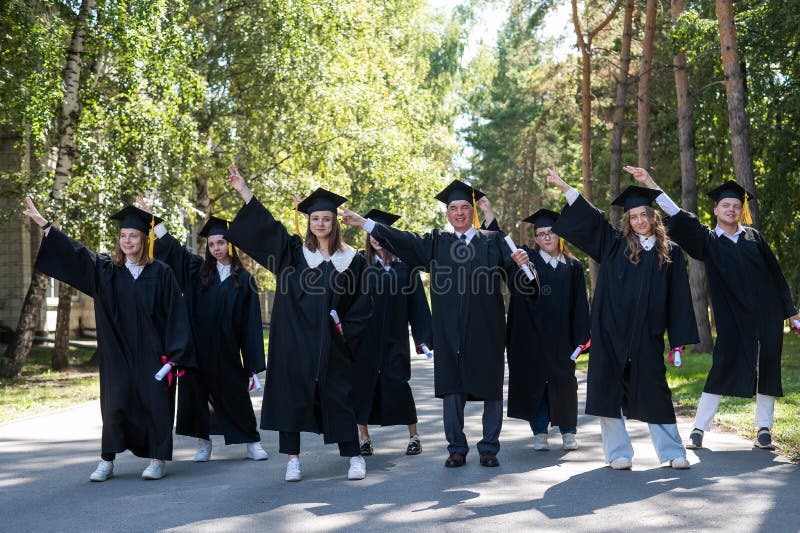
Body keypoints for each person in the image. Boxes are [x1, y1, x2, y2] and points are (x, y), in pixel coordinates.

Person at [339, 179, 539, 469]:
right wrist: (365, 224)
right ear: (447, 214)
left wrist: (524, 265)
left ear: (472, 210)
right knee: (452, 390)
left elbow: (524, 285)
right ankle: (456, 448)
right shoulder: (437, 243)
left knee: (491, 391)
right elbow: (404, 240)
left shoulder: (493, 241)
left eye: (464, 208)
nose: (459, 213)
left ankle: (489, 449)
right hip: (449, 332)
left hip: (488, 331)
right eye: (453, 208)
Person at [628, 167, 800, 450]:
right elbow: (679, 216)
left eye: (736, 206)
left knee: (767, 367)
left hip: (766, 315)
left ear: (741, 211)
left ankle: (764, 429)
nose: (731, 210)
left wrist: (791, 311)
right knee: (722, 366)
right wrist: (650, 182)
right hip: (732, 318)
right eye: (726, 205)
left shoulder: (754, 238)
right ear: (716, 209)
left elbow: (776, 275)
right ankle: (699, 428)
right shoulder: (708, 241)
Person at [23, 198, 194, 481]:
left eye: (133, 236)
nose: (127, 241)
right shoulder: (107, 271)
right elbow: (77, 254)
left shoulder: (161, 273)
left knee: (156, 405)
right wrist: (45, 225)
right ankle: (107, 460)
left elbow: (177, 315)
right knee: (115, 404)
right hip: (119, 354)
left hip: (154, 356)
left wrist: (173, 358)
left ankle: (157, 459)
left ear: (144, 239)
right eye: (123, 236)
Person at [225, 166, 372, 482]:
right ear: (308, 222)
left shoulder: (352, 259)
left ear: (335, 223)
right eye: (315, 218)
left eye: (326, 219)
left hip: (333, 343)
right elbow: (266, 227)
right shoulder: (293, 253)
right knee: (292, 398)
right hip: (293, 342)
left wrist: (347, 330)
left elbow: (362, 304)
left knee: (340, 398)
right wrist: (244, 191)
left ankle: (354, 456)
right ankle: (293, 460)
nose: (320, 223)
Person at [546, 168, 699, 470]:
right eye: (633, 216)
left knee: (656, 390)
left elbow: (678, 299)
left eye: (644, 214)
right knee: (608, 390)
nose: (639, 221)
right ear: (627, 220)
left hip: (647, 334)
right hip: (610, 331)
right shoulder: (614, 245)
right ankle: (618, 452)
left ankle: (671, 451)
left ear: (653, 217)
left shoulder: (671, 253)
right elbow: (592, 220)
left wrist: (677, 341)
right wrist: (566, 187)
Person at [141, 201, 268, 463]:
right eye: (212, 244)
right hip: (198, 348)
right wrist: (157, 223)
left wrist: (252, 365)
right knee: (198, 397)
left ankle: (251, 441)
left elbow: (251, 323)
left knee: (236, 396)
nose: (217, 248)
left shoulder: (243, 279)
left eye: (221, 243)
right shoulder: (199, 271)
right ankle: (204, 443)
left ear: (230, 244)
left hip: (229, 350)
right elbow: (176, 253)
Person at [479, 199, 590, 452]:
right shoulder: (526, 261)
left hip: (562, 337)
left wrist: (581, 338)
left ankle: (568, 432)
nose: (546, 237)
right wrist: (488, 212)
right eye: (541, 234)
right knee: (534, 383)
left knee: (564, 383)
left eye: (550, 232)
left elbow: (580, 304)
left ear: (558, 235)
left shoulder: (572, 266)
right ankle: (539, 432)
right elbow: (502, 242)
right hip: (531, 337)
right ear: (536, 239)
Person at [354, 209, 434, 457]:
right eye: (371, 234)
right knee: (362, 387)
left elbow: (418, 305)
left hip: (394, 337)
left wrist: (423, 340)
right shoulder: (359, 264)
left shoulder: (406, 267)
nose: (375, 239)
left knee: (399, 384)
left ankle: (414, 436)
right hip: (364, 339)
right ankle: (364, 438)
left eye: (379, 233)